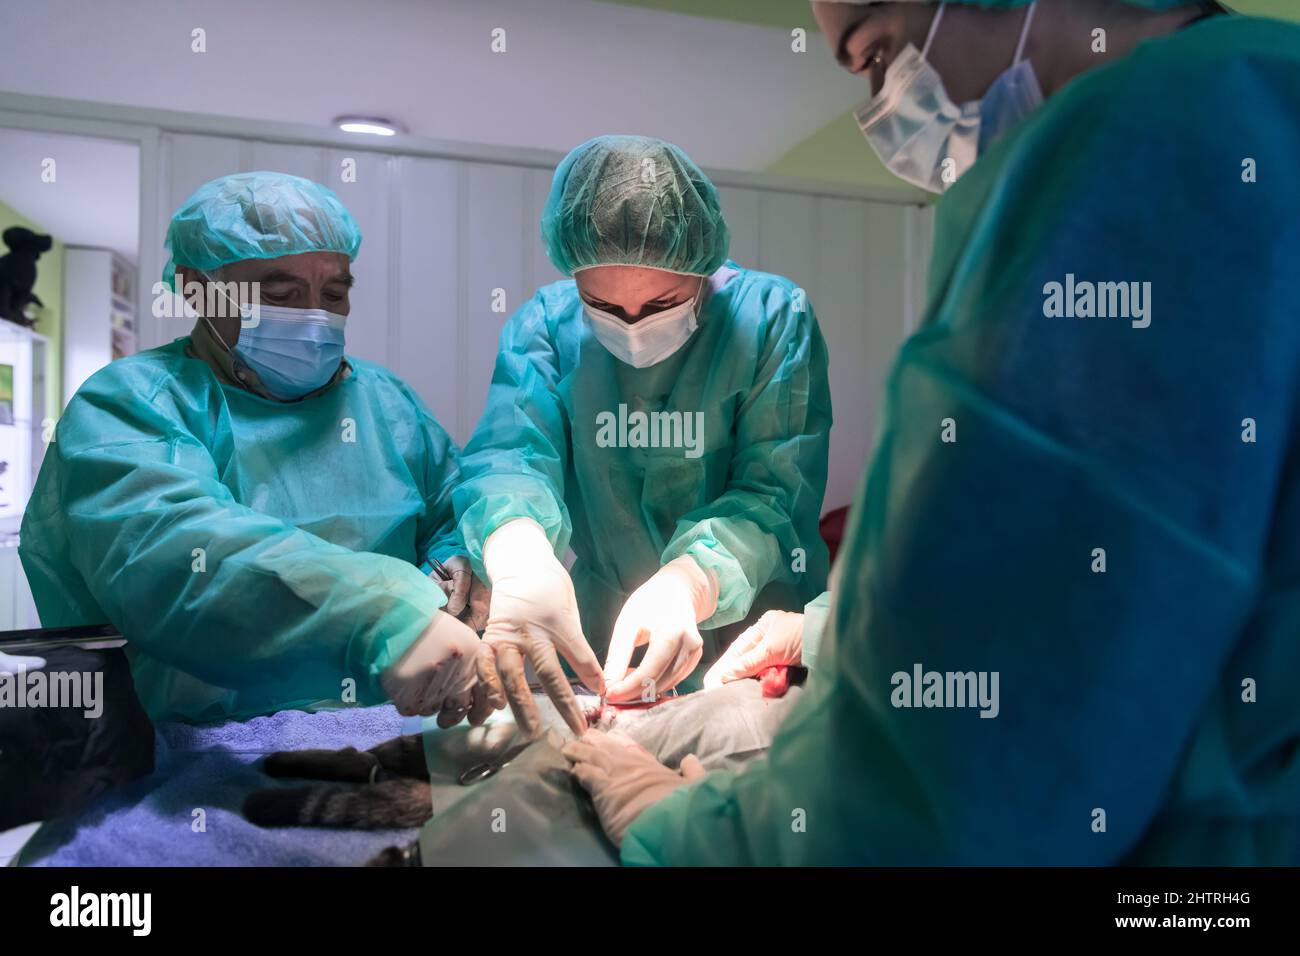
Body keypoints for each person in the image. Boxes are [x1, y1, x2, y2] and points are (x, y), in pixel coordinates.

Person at [565, 0, 1300, 864]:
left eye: (876, 53)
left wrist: (693, 828)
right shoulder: (1268, 87)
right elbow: (1122, 572)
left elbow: (941, 792)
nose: (885, 103)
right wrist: (829, 627)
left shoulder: (1123, 156)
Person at [20, 171, 490, 726]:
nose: (316, 316)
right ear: (195, 289)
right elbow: (177, 555)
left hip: (393, 723)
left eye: (334, 293)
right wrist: (385, 616)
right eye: (279, 293)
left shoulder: (385, 402)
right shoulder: (130, 404)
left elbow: (457, 507)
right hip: (197, 747)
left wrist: (461, 562)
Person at [455, 136, 832, 736]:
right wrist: (519, 551)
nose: (633, 332)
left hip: (763, 641)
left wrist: (691, 580)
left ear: (703, 271)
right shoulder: (547, 328)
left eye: (662, 304)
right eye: (602, 306)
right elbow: (511, 457)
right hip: (610, 642)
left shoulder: (772, 319)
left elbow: (774, 493)